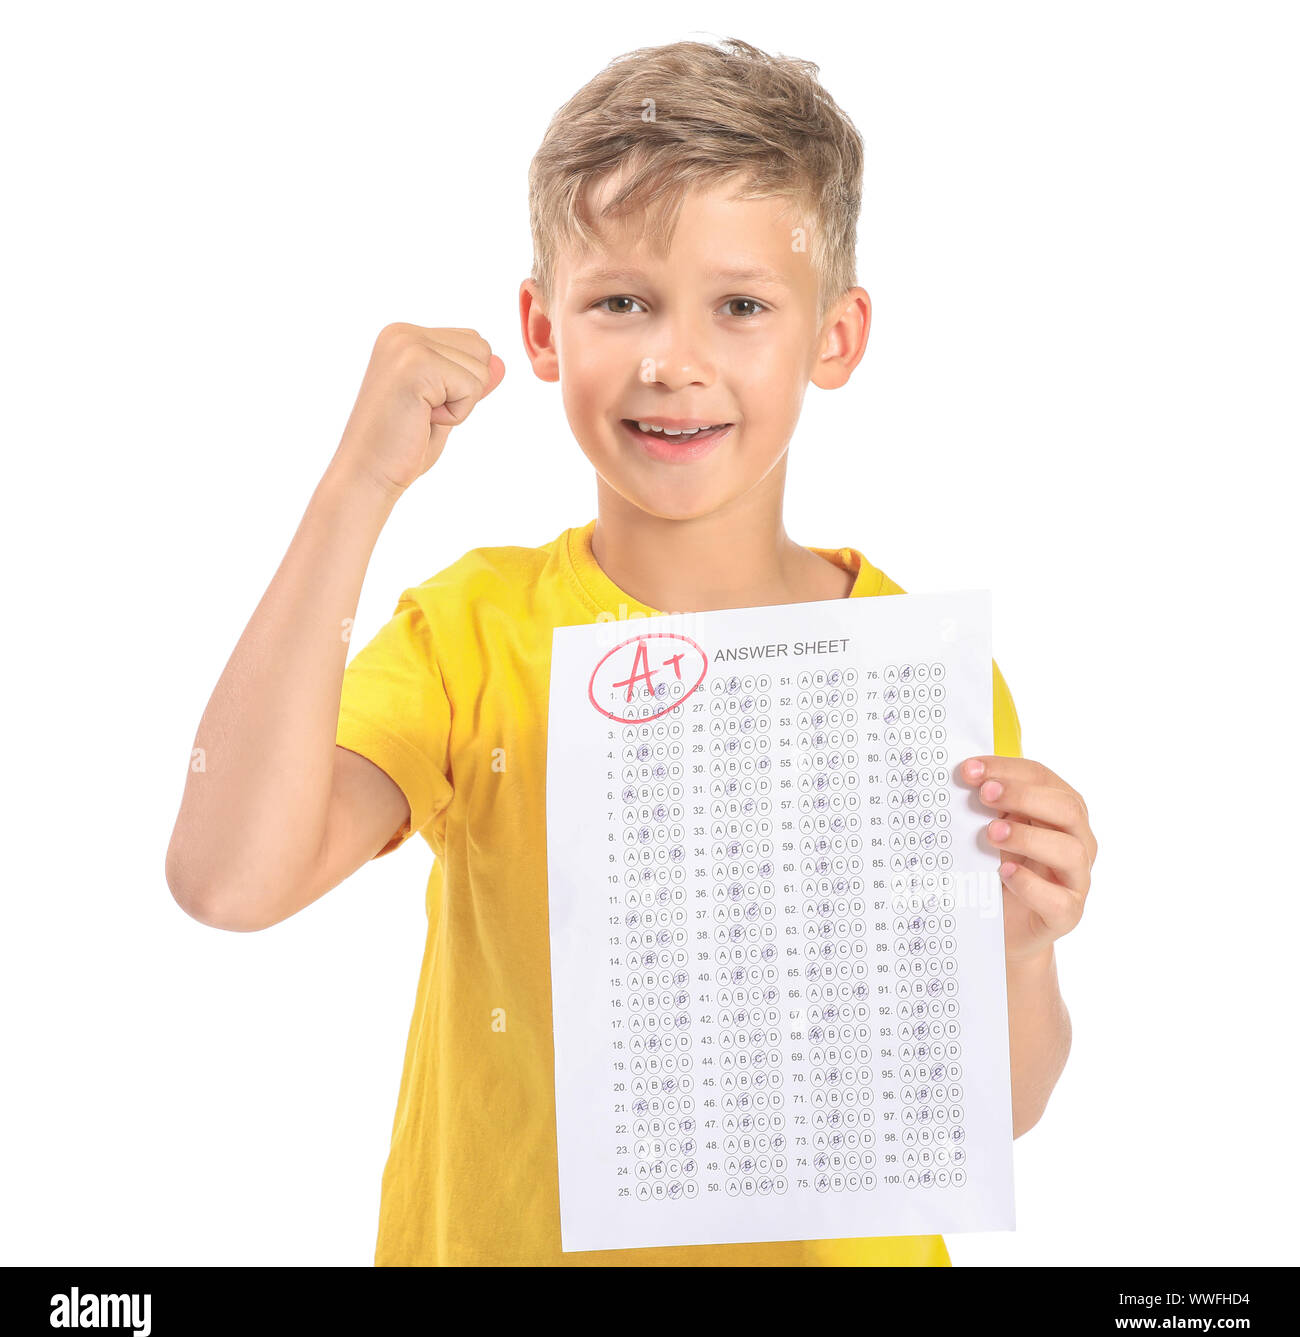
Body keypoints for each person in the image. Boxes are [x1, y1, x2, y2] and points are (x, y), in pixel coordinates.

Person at [165, 36, 1095, 1267]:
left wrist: (1021, 951)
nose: (674, 360)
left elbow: (999, 1108)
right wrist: (358, 485)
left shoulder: (918, 674)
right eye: (622, 301)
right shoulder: (478, 632)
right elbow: (229, 880)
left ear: (836, 335)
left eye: (742, 304)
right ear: (542, 329)